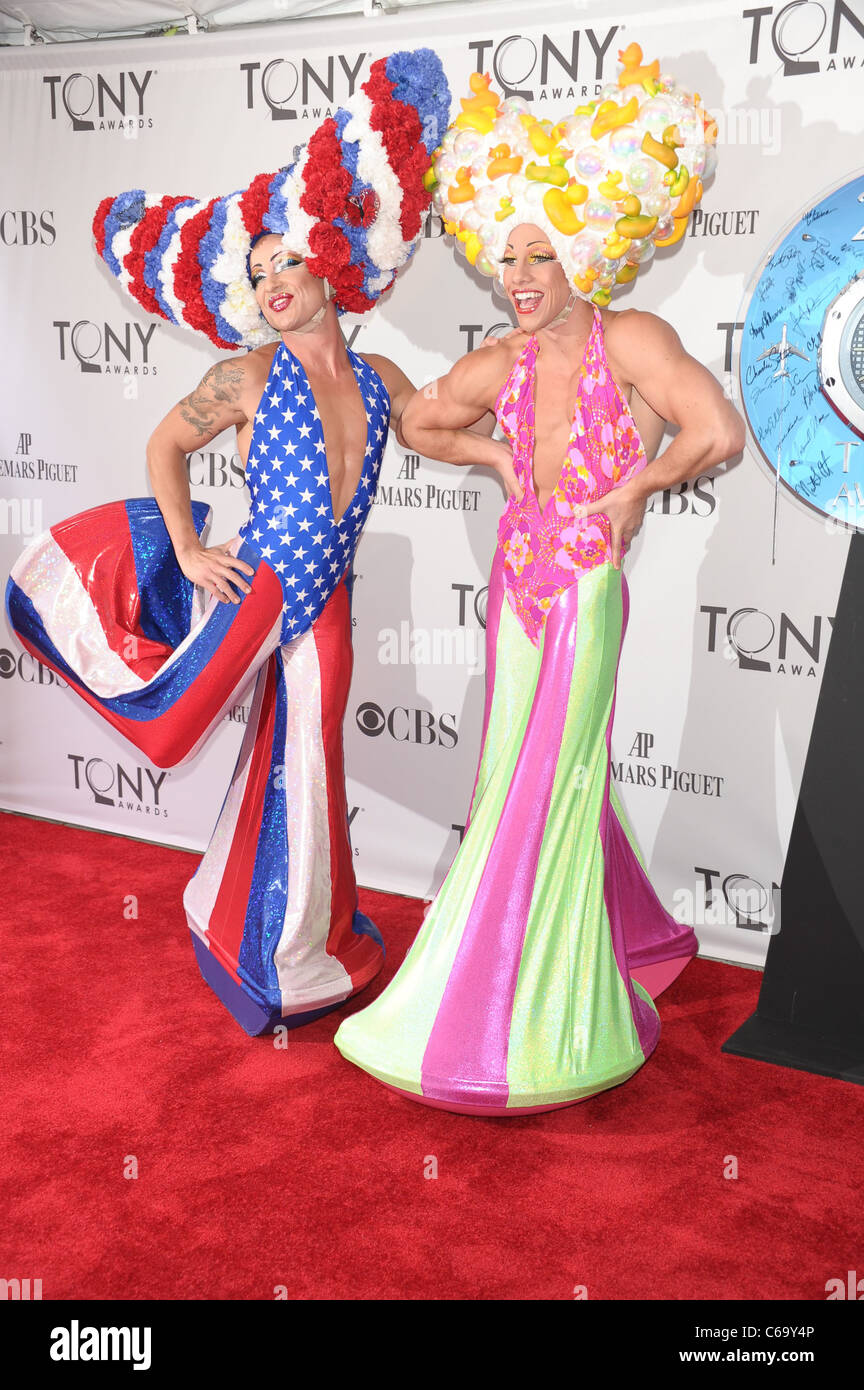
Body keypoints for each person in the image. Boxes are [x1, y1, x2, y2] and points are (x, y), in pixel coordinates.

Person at [334, 46, 746, 1114]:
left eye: (541, 256)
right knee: (514, 775)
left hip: (585, 592)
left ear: (588, 254)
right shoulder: (501, 363)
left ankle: (525, 1017)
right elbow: (422, 420)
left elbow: (717, 430)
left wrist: (637, 488)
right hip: (513, 591)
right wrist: (496, 457)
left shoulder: (634, 340)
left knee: (549, 783)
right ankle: (611, 945)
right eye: (507, 257)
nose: (519, 276)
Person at [6, 48, 451, 1036]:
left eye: (286, 261)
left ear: (331, 258)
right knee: (175, 728)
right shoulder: (246, 377)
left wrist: (520, 432)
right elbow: (163, 445)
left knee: (309, 765)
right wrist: (187, 549)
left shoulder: (381, 377)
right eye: (258, 273)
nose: (273, 282)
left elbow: (440, 433)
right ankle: (56, 594)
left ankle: (289, 940)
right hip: (256, 590)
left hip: (329, 606)